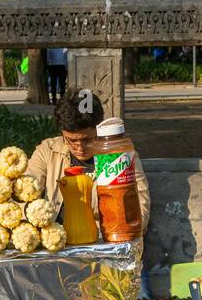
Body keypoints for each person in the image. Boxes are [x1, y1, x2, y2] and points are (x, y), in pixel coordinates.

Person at [27, 88, 151, 233]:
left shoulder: (121, 156)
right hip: (56, 242)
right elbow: (25, 192)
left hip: (102, 243)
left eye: (87, 140)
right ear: (62, 133)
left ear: (99, 129)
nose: (80, 147)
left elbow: (140, 214)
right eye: (71, 140)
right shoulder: (47, 151)